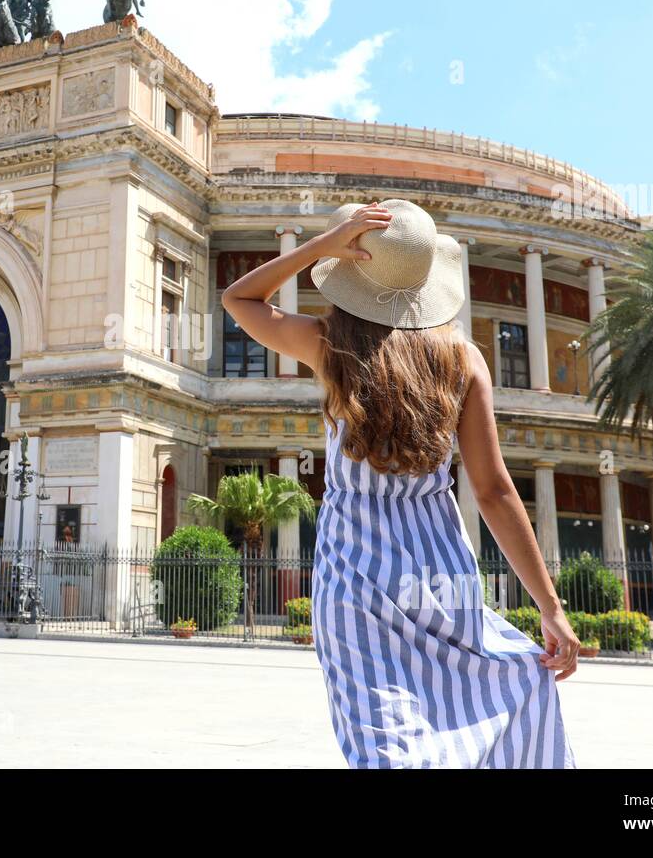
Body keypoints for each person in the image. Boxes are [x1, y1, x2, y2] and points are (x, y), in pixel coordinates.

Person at [221, 199, 578, 769]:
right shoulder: (463, 359)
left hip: (356, 574)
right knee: (482, 703)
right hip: (440, 570)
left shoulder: (328, 347)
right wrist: (550, 607)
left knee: (385, 746)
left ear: (349, 275)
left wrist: (320, 245)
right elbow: (493, 491)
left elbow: (238, 299)